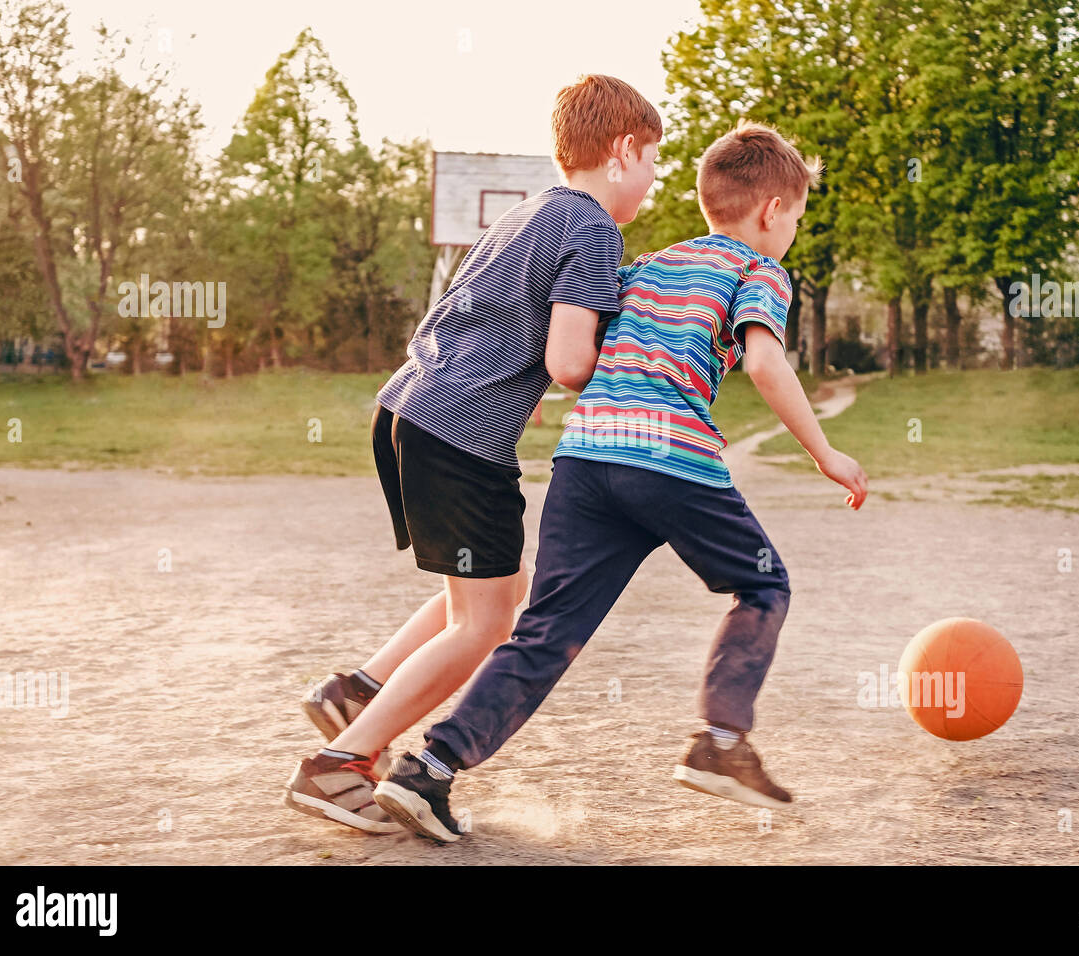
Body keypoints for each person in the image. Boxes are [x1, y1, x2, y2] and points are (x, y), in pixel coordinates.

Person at [370, 120, 869, 843]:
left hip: (587, 460)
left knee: (544, 632)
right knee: (763, 586)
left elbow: (587, 338)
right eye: (794, 216)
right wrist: (826, 453)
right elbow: (763, 364)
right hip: (670, 460)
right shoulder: (760, 271)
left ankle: (430, 770)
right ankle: (721, 742)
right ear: (771, 213)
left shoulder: (653, 263)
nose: (790, 230)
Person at [283, 74, 662, 834]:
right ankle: (339, 765)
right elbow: (565, 362)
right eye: (653, 159)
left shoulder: (531, 214)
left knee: (493, 587)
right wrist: (626, 361)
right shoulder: (592, 229)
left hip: (408, 412)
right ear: (623, 151)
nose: (654, 180)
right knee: (486, 623)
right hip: (461, 438)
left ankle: (357, 690)